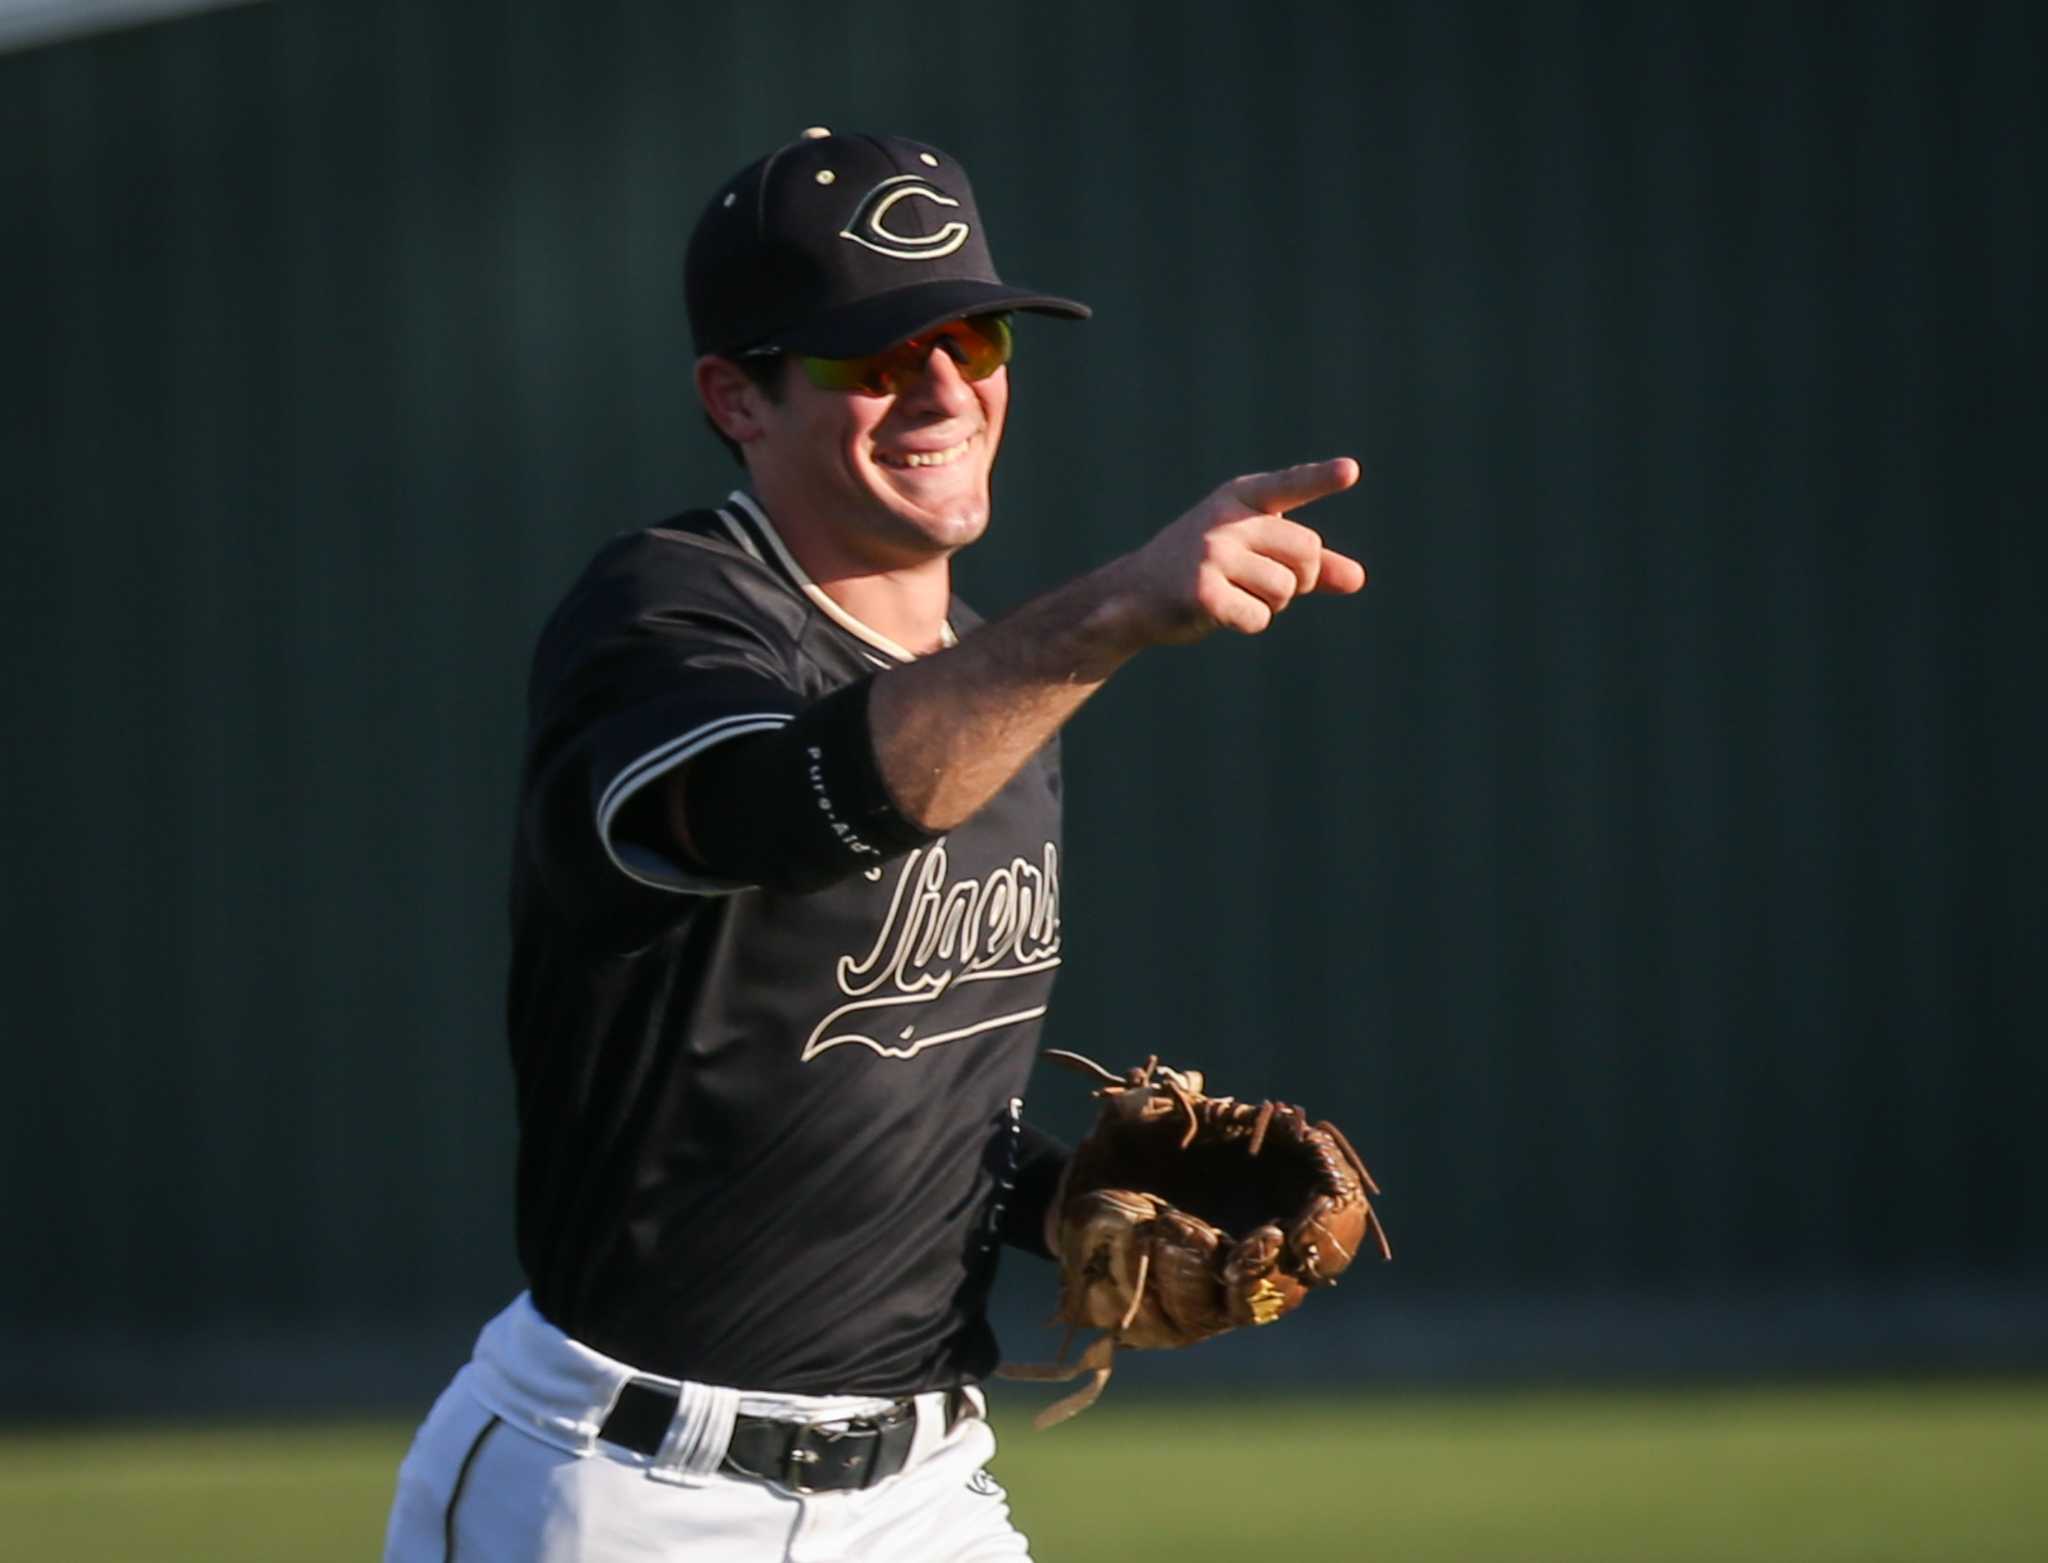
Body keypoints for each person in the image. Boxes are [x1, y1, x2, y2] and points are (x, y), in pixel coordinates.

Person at [382, 126, 1366, 1563]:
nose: (944, 387)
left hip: (920, 1492)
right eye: (871, 356)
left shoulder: (999, 677)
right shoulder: (666, 619)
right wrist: (1112, 616)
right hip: (624, 1486)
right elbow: (782, 810)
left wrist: (1068, 1203)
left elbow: (883, 1095)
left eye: (972, 335)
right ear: (737, 397)